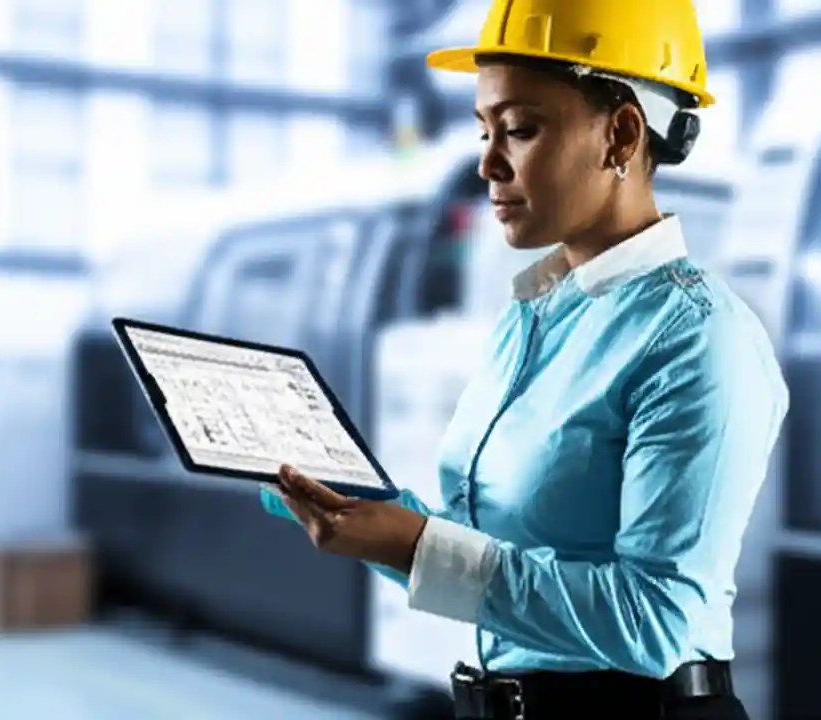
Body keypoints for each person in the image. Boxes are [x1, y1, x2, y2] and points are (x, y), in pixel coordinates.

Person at [260, 0, 789, 717]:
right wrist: (356, 507)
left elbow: (657, 619)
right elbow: (491, 547)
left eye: (520, 129)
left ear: (622, 134)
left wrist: (414, 547)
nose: (487, 163)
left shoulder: (698, 339)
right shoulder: (534, 315)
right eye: (483, 131)